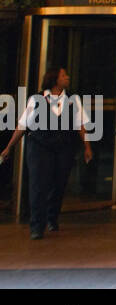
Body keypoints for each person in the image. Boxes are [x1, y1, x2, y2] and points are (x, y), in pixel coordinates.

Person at [0, 67, 93, 240]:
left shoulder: (73, 99)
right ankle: (37, 226)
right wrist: (9, 147)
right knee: (38, 185)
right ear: (54, 79)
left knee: (59, 184)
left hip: (63, 146)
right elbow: (23, 125)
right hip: (39, 146)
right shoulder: (36, 99)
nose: (67, 77)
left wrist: (87, 146)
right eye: (64, 75)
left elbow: (80, 124)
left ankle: (52, 217)